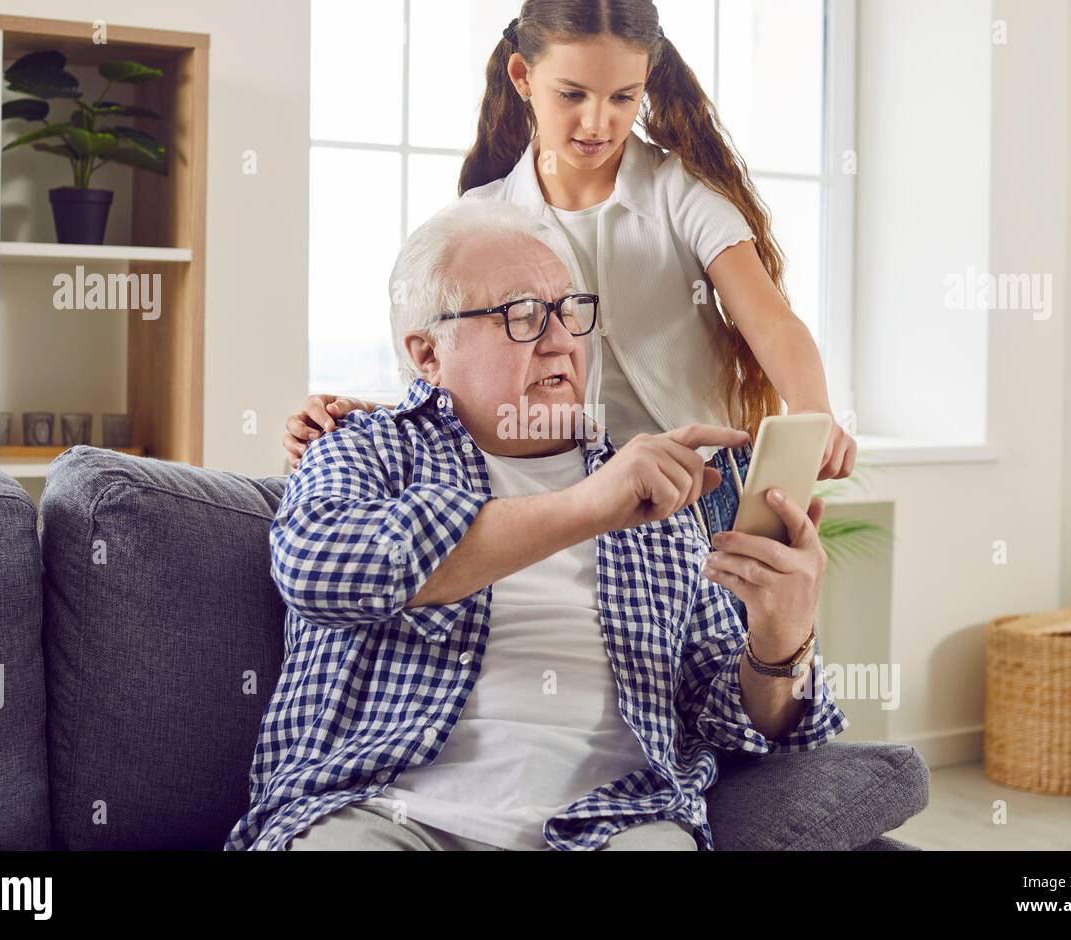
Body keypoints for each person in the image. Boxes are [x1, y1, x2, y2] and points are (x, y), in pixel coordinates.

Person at [225, 199, 847, 852]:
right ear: (427, 353)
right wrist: (590, 506)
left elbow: (731, 721)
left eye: (570, 311)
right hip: (378, 808)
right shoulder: (360, 445)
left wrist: (782, 639)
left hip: (614, 822)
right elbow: (322, 571)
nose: (560, 340)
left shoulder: (659, 499)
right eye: (521, 317)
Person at [285, 0, 856, 540]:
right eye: (572, 94)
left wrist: (813, 410)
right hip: (576, 498)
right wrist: (357, 415)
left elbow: (772, 323)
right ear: (521, 76)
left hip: (707, 490)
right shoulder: (483, 221)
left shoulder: (681, 195)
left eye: (623, 97)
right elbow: (447, 387)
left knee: (757, 642)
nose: (597, 122)